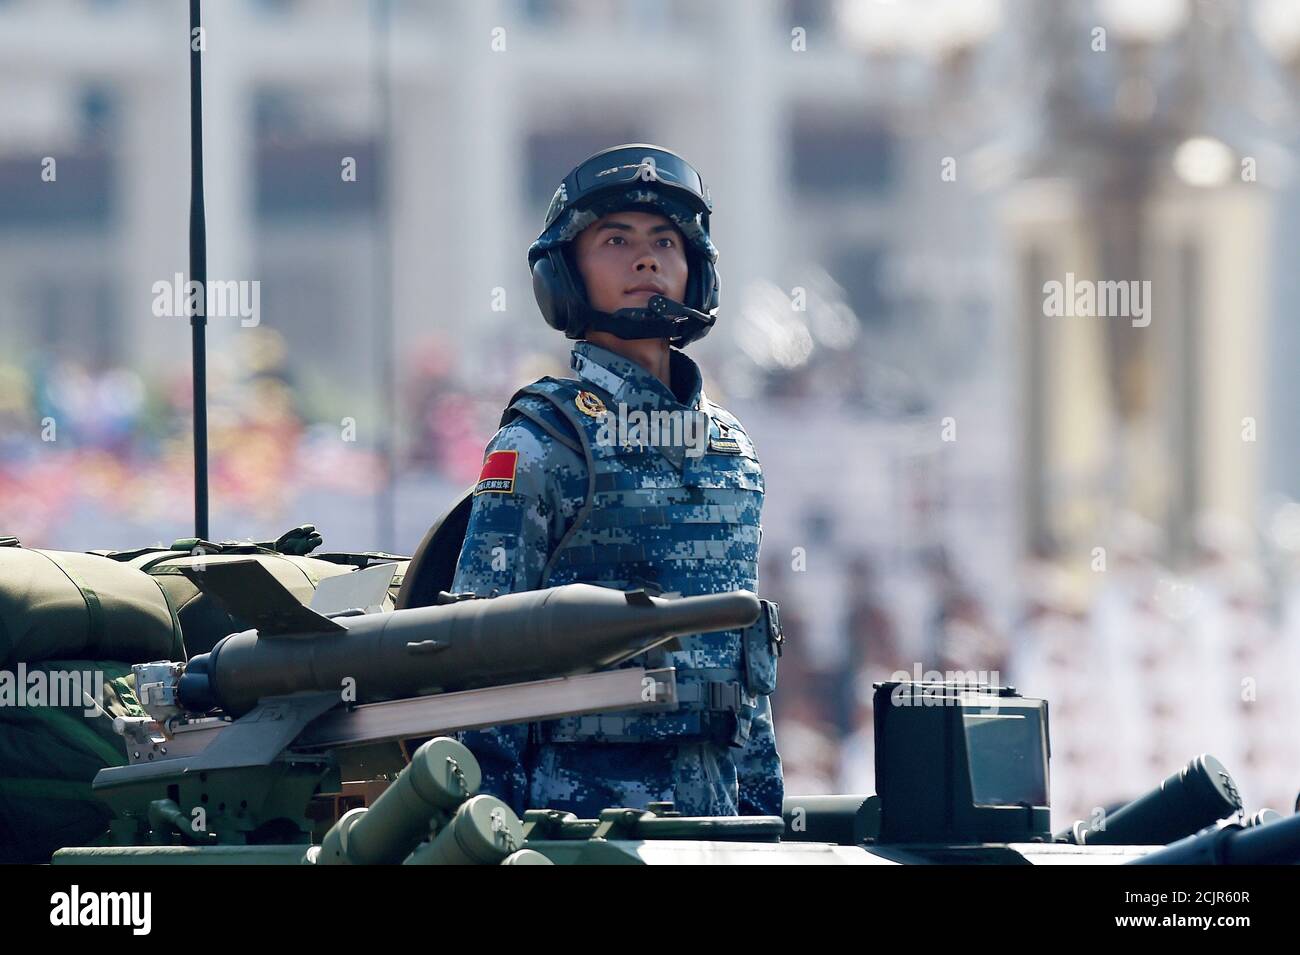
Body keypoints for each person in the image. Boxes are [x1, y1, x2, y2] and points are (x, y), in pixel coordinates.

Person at [449, 143, 784, 819]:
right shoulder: (541, 445)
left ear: (696, 269)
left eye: (666, 239)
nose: (647, 258)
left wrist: (769, 823)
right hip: (579, 833)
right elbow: (484, 668)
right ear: (566, 271)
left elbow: (745, 682)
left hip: (716, 828)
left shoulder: (731, 452)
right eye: (615, 239)